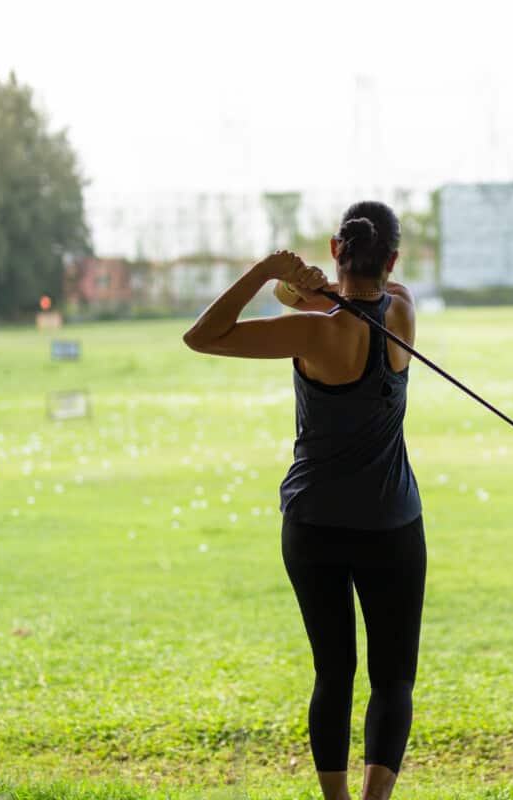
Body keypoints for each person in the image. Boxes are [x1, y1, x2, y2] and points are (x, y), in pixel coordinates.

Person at [182, 201, 425, 800]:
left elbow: (202, 335)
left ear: (335, 250)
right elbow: (377, 292)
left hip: (315, 526)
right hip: (393, 524)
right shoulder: (403, 313)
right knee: (392, 680)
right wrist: (318, 288)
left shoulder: (313, 328)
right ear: (391, 258)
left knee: (333, 674)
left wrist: (270, 271)